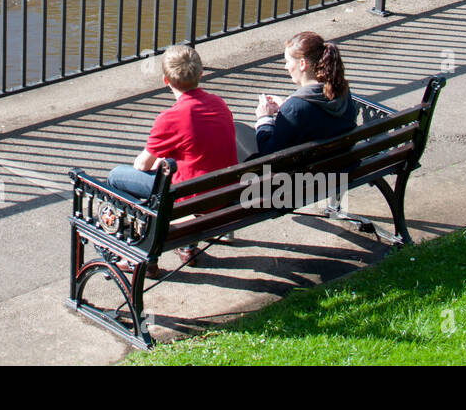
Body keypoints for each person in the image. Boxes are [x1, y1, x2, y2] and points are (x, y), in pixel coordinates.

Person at [106, 44, 237, 272]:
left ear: (165, 80)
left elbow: (141, 165)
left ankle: (140, 255)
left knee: (118, 177)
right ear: (200, 74)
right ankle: (185, 245)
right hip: (223, 197)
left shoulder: (170, 118)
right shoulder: (219, 104)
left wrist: (156, 160)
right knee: (163, 177)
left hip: (190, 201)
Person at [254, 31, 358, 157]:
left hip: (310, 176)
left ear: (302, 64)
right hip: (344, 169)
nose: (286, 67)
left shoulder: (294, 109)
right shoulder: (342, 91)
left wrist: (264, 119)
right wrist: (285, 109)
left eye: (287, 61)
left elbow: (269, 156)